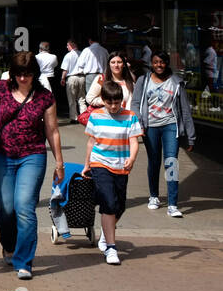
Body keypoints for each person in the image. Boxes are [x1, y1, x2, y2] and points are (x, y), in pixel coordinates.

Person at [0, 51, 63, 280]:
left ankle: (24, 262)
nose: (22, 79)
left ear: (35, 74)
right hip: (1, 155)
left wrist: (59, 162)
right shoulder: (0, 89)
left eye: (27, 74)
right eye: (19, 74)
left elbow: (52, 130)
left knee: (25, 207)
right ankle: (9, 246)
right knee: (7, 208)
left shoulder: (45, 96)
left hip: (33, 155)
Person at [82, 80, 144, 265]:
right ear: (103, 100)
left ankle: (106, 233)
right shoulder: (96, 116)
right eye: (109, 103)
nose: (114, 106)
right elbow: (91, 142)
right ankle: (111, 247)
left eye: (117, 102)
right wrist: (87, 165)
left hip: (121, 166)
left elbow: (134, 141)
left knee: (120, 205)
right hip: (100, 164)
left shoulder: (130, 117)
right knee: (108, 202)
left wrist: (132, 159)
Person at [131, 51, 195, 218]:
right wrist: (139, 123)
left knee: (171, 162)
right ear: (152, 63)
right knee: (154, 162)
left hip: (170, 126)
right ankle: (154, 196)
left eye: (162, 62)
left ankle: (173, 204)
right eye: (156, 62)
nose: (159, 65)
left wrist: (191, 135)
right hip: (150, 127)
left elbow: (185, 110)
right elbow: (136, 103)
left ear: (167, 63)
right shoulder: (143, 81)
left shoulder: (176, 82)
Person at [83, 51, 137, 116]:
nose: (116, 65)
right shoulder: (101, 79)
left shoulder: (130, 81)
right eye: (113, 62)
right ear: (109, 64)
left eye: (119, 62)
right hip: (106, 119)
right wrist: (106, 101)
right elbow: (89, 98)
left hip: (126, 119)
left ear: (124, 65)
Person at [60, 38, 83, 124]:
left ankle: (74, 118)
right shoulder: (82, 54)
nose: (67, 47)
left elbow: (65, 69)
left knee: (72, 99)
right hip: (82, 77)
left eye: (67, 45)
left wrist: (62, 78)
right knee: (82, 98)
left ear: (71, 45)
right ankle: (83, 116)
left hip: (72, 78)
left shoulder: (68, 55)